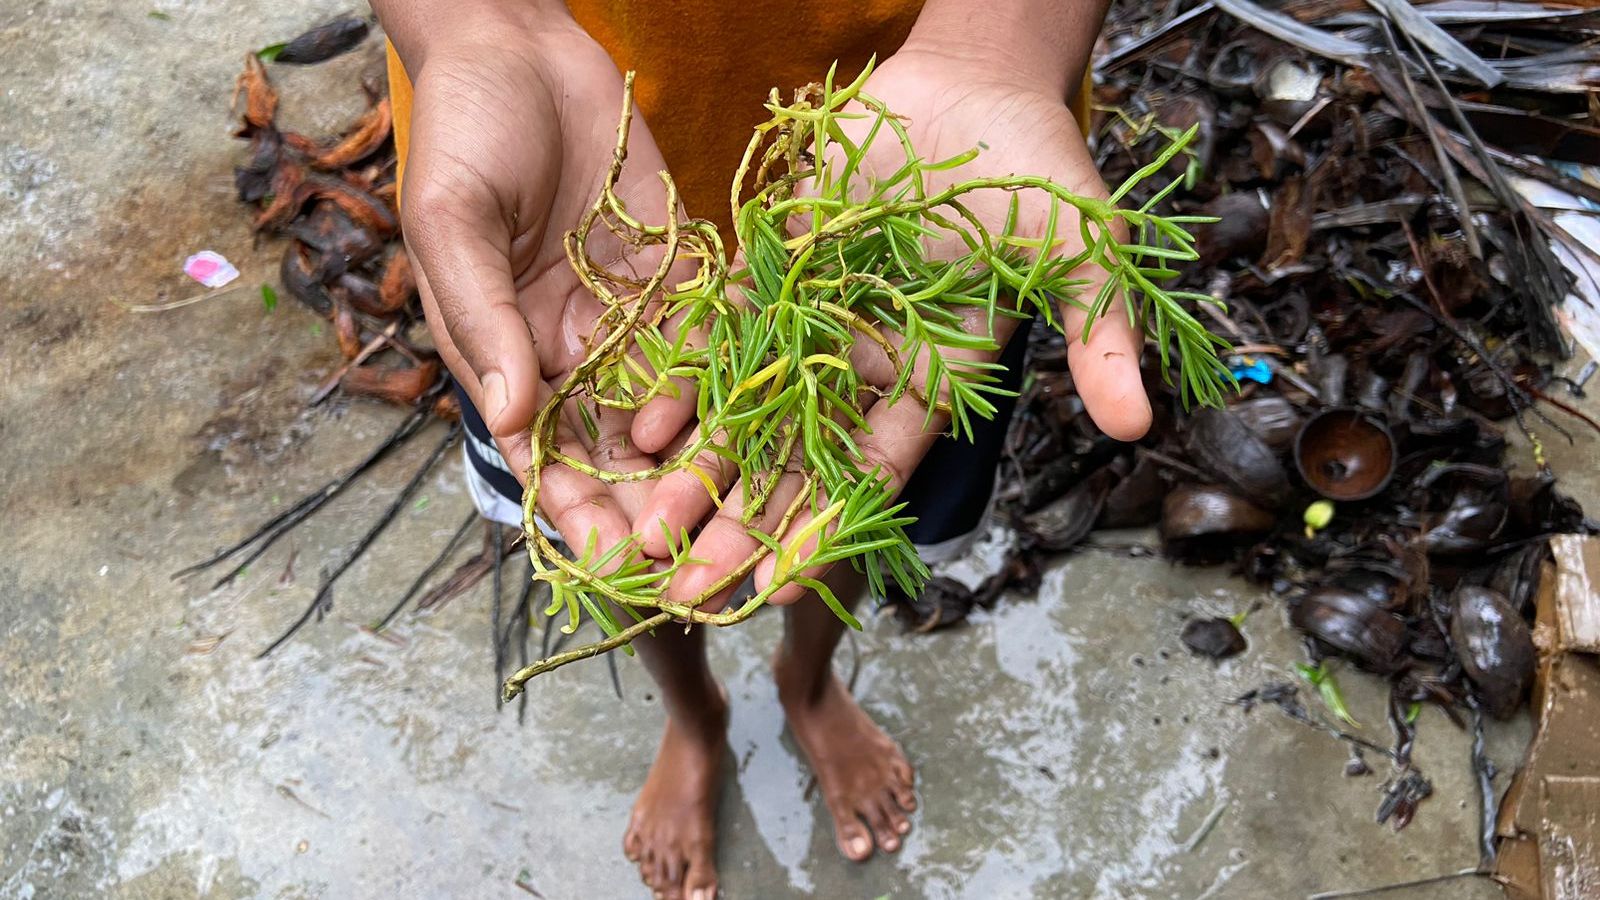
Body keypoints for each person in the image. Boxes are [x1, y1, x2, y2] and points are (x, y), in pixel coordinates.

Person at [371, 1, 1151, 896]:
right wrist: (474, 29)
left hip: (919, 191)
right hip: (570, 193)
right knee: (621, 506)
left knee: (850, 482)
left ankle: (809, 683)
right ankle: (695, 716)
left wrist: (1002, 43)